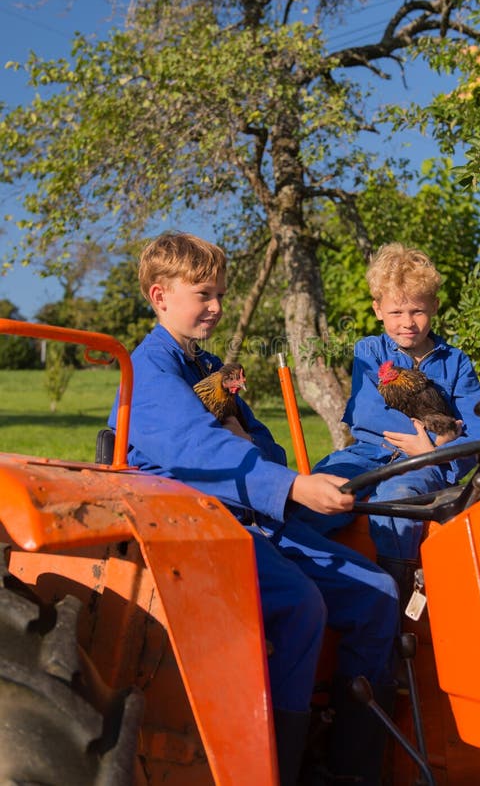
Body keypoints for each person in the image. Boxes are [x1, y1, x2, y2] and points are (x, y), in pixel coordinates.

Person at [108, 232, 400, 786]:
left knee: (377, 594)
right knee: (301, 606)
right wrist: (291, 486)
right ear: (160, 295)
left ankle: (351, 770)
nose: (217, 307)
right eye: (203, 295)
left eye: (220, 293)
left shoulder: (208, 365)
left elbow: (266, 448)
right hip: (190, 523)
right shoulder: (148, 372)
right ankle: (278, 770)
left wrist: (262, 455)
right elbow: (198, 450)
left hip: (248, 510)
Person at [300, 243, 480, 596]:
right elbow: (371, 414)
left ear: (434, 306)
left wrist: (435, 452)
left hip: (425, 462)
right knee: (319, 492)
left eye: (417, 310)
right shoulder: (369, 352)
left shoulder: (456, 362)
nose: (407, 322)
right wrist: (440, 435)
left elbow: (477, 432)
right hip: (367, 454)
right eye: (397, 311)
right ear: (378, 310)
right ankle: (310, 574)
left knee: (400, 498)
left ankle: (393, 592)